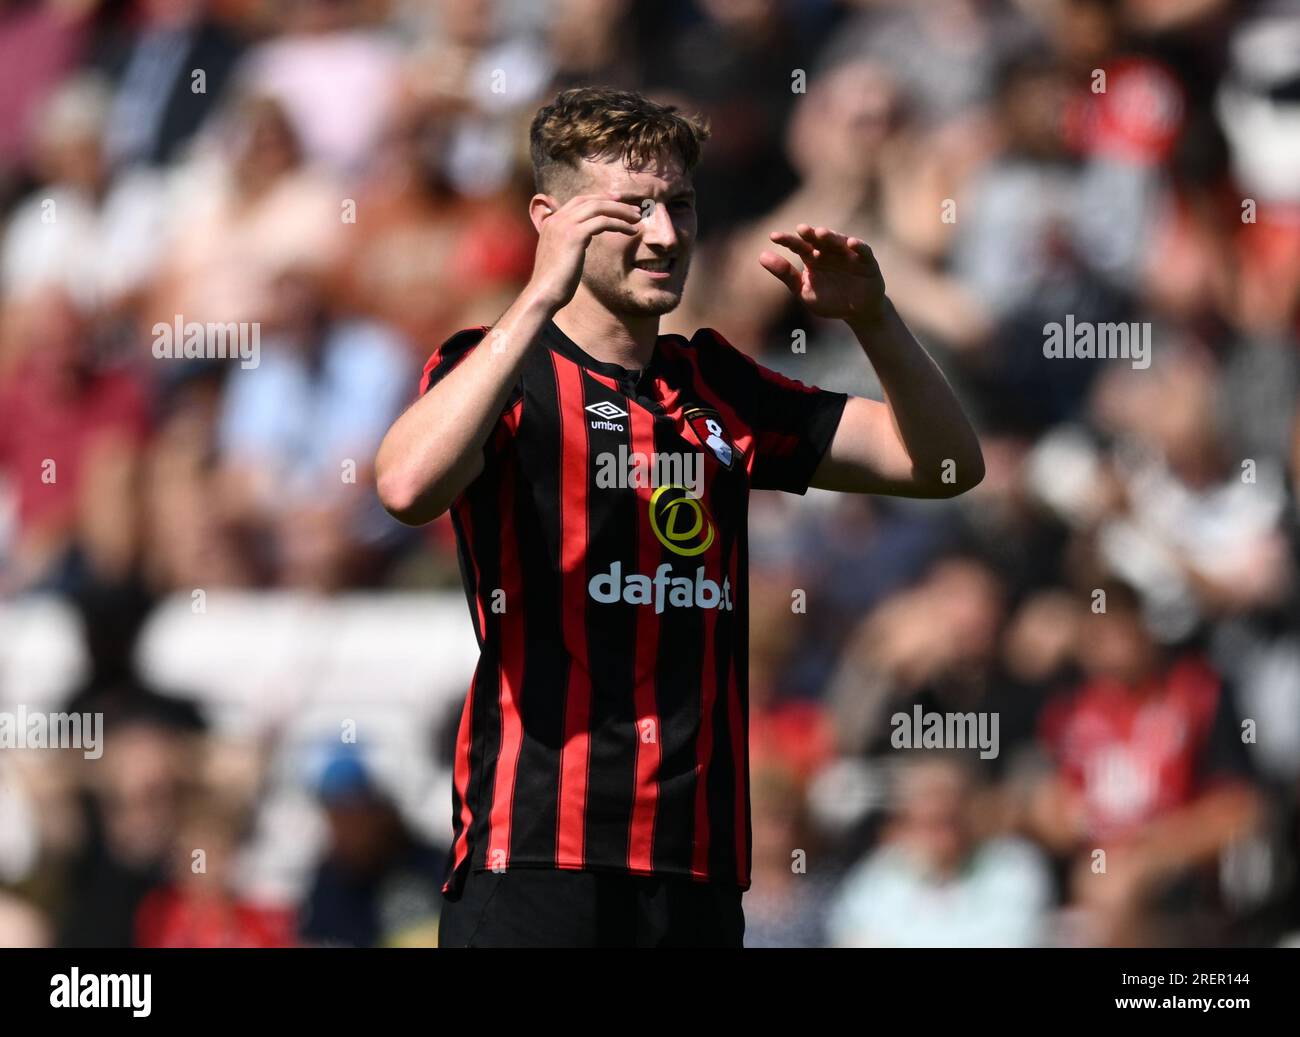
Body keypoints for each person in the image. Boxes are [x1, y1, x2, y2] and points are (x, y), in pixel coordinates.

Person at [375, 86, 984, 948]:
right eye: (630, 211)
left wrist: (877, 321)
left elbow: (948, 465)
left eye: (680, 206)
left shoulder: (714, 385)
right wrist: (538, 294)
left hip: (696, 869)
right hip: (538, 859)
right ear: (551, 219)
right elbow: (405, 485)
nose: (664, 235)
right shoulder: (494, 369)